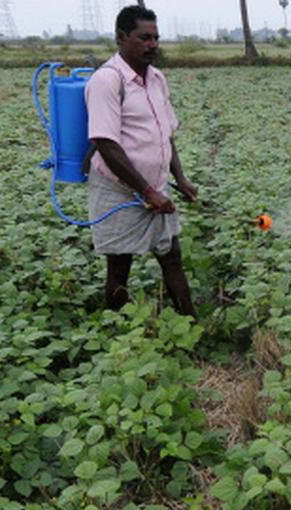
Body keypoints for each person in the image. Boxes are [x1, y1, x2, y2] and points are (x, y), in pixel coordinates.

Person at [86, 5, 198, 315]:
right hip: (118, 190)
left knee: (172, 257)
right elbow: (106, 144)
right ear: (121, 37)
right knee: (120, 268)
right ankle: (121, 338)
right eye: (143, 37)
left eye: (156, 38)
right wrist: (147, 192)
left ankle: (191, 327)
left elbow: (166, 134)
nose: (152, 45)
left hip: (158, 188)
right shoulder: (107, 81)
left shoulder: (157, 78)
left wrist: (180, 179)